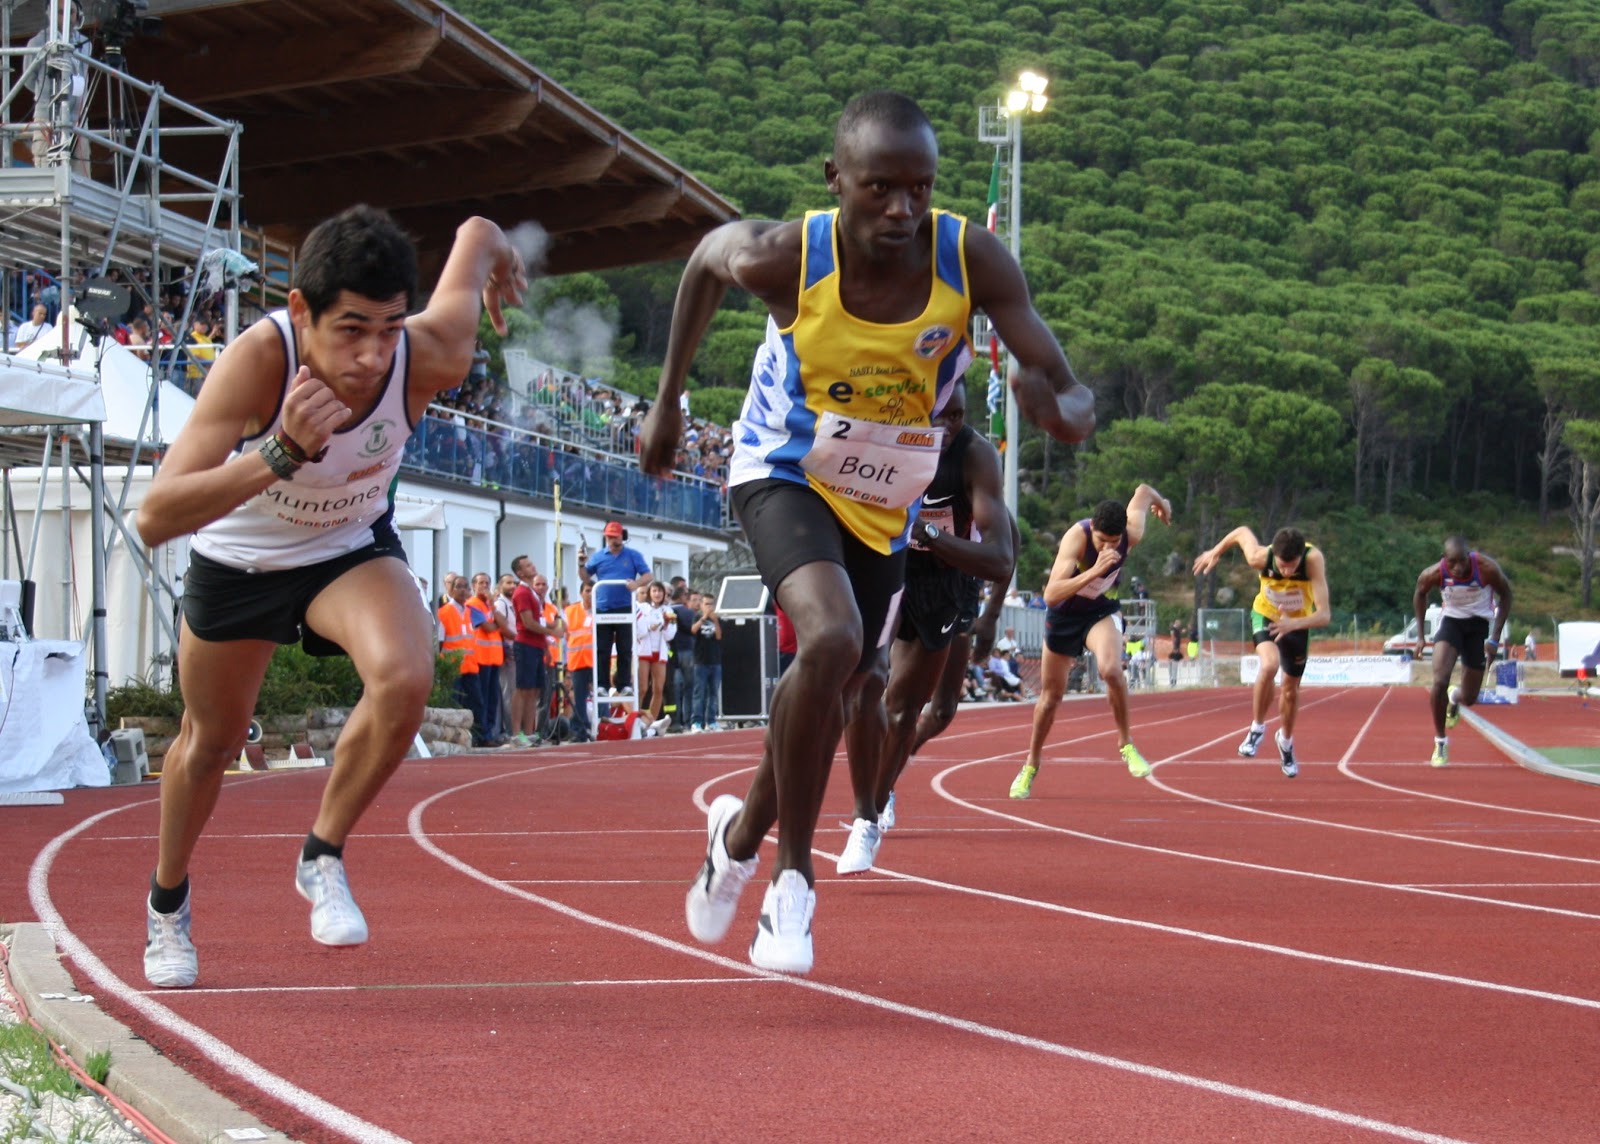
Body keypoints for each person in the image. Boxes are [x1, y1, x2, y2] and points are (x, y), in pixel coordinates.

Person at [639, 90, 1095, 974]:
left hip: (883, 499)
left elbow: (1063, 381)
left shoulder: (972, 259)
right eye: (881, 187)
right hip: (783, 470)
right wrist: (666, 405)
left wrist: (1061, 410)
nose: (903, 210)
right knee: (836, 637)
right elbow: (702, 261)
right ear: (835, 181)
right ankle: (792, 885)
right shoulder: (786, 256)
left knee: (841, 671)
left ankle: (735, 839)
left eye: (920, 188)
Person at [134, 204, 526, 987]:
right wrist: (279, 452)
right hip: (239, 559)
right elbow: (154, 517)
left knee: (407, 676)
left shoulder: (430, 355)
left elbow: (474, 240)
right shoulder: (259, 362)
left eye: (389, 328)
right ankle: (167, 905)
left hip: (344, 549)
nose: (373, 356)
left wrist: (489, 245)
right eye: (350, 330)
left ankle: (321, 854)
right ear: (301, 312)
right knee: (211, 741)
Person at [838, 383, 1016, 875]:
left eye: (957, 416)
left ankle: (880, 795)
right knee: (864, 685)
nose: (946, 427)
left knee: (918, 710)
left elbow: (1003, 553)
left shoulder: (975, 455)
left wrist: (989, 616)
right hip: (887, 566)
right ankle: (863, 814)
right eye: (937, 416)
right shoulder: (887, 439)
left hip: (947, 581)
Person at [1010, 486, 1171, 799]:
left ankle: (1126, 744)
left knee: (1111, 670)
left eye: (1114, 542)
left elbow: (1141, 492)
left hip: (1099, 611)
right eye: (1103, 541)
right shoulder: (1078, 538)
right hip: (1064, 615)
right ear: (1093, 529)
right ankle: (1031, 763)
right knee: (1051, 697)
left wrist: (1163, 504)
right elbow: (1051, 594)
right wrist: (1094, 570)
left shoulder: (1130, 533)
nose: (1109, 548)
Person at [1192, 526, 1331, 778]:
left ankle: (1286, 742)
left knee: (1290, 690)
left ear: (1301, 556)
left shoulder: (1313, 560)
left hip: (1298, 624)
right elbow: (1241, 532)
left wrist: (1294, 624)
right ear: (1273, 555)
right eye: (1282, 566)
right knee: (1269, 665)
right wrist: (1216, 551)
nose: (1287, 571)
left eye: (1292, 566)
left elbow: (1323, 615)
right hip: (1266, 615)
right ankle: (1257, 728)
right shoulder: (1259, 557)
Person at [1412, 537, 1512, 767]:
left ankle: (1454, 697)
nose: (1458, 567)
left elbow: (1506, 595)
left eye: (1462, 561)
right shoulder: (1434, 573)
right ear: (1444, 560)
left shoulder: (1487, 569)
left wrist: (1495, 637)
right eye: (1452, 562)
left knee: (1470, 698)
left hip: (1478, 626)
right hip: (1451, 622)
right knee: (1439, 681)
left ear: (1470, 556)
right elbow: (1420, 594)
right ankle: (1441, 742)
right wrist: (1419, 636)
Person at [582, 521, 651, 696]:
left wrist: (636, 584)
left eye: (616, 536)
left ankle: (624, 684)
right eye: (610, 537)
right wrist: (580, 564)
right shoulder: (598, 556)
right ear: (606, 537)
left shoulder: (633, 555)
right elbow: (585, 577)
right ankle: (602, 684)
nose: (614, 540)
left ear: (622, 536)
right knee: (602, 648)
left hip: (624, 606)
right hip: (603, 607)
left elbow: (648, 575)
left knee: (625, 647)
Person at [510, 556, 560, 745]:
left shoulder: (532, 593)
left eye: (532, 563)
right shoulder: (522, 592)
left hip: (536, 645)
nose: (533, 566)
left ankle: (529, 731)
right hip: (525, 645)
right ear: (520, 572)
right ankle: (516, 733)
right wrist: (551, 631)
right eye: (528, 565)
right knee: (523, 688)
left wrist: (547, 639)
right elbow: (528, 622)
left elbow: (537, 620)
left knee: (533, 690)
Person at [438, 576, 488, 744]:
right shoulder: (444, 613)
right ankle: (455, 738)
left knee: (476, 703)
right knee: (454, 703)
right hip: (453, 667)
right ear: (451, 590)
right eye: (458, 586)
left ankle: (480, 737)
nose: (462, 590)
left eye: (465, 587)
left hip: (470, 666)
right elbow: (440, 642)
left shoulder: (469, 611)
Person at [635, 580, 676, 735]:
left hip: (660, 652)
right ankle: (636, 718)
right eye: (654, 591)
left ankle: (651, 722)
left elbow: (670, 635)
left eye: (660, 591)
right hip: (644, 651)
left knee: (658, 688)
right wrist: (648, 628)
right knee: (643, 687)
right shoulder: (641, 608)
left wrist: (665, 625)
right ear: (649, 593)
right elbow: (638, 631)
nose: (657, 594)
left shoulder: (669, 610)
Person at [564, 580, 595, 742]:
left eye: (592, 591)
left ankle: (599, 728)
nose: (589, 594)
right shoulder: (570, 611)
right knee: (579, 697)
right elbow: (566, 635)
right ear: (581, 592)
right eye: (587, 590)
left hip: (596, 661)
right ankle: (580, 731)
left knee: (599, 697)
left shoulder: (601, 611)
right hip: (577, 660)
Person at [689, 592, 723, 732]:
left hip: (715, 661)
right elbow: (693, 630)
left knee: (713, 693)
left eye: (711, 604)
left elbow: (719, 636)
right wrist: (704, 618)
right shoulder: (696, 617)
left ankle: (712, 720)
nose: (709, 607)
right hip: (700, 661)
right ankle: (696, 721)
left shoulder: (717, 619)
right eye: (706, 604)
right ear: (701, 605)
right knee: (699, 693)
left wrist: (714, 621)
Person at [668, 585, 698, 731]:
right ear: (682, 597)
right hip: (686, 650)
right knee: (688, 686)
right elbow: (692, 630)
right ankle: (687, 720)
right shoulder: (688, 613)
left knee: (675, 687)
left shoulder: (668, 611)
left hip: (672, 652)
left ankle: (677, 719)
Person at [1168, 618, 1186, 687]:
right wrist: (1174, 646)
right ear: (1176, 623)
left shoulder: (1176, 629)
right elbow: (1173, 636)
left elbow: (1177, 633)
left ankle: (1173, 680)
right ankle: (1172, 680)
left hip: (1176, 649)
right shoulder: (1173, 629)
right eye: (1179, 623)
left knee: (1174, 665)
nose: (1180, 625)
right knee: (1173, 665)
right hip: (1174, 649)